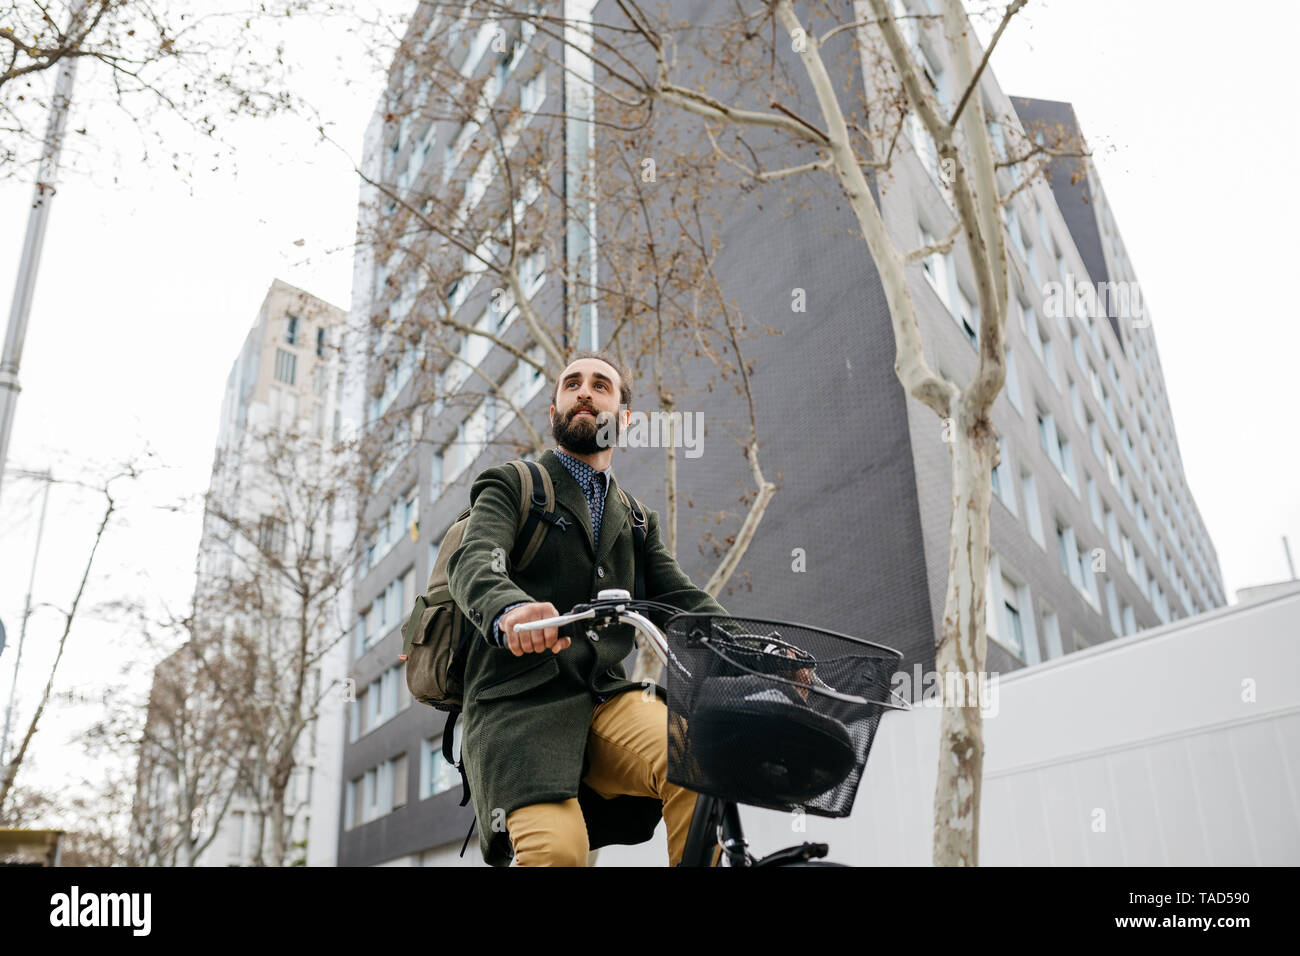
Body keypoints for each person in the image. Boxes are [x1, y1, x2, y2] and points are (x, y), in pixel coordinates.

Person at [446, 350, 727, 867]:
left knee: (697, 754)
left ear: (622, 419)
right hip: (518, 708)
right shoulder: (513, 485)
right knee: (559, 852)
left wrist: (756, 651)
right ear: (553, 413)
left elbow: (685, 603)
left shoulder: (637, 520)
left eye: (601, 385)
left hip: (605, 700)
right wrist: (509, 611)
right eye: (571, 383)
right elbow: (475, 564)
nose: (584, 391)